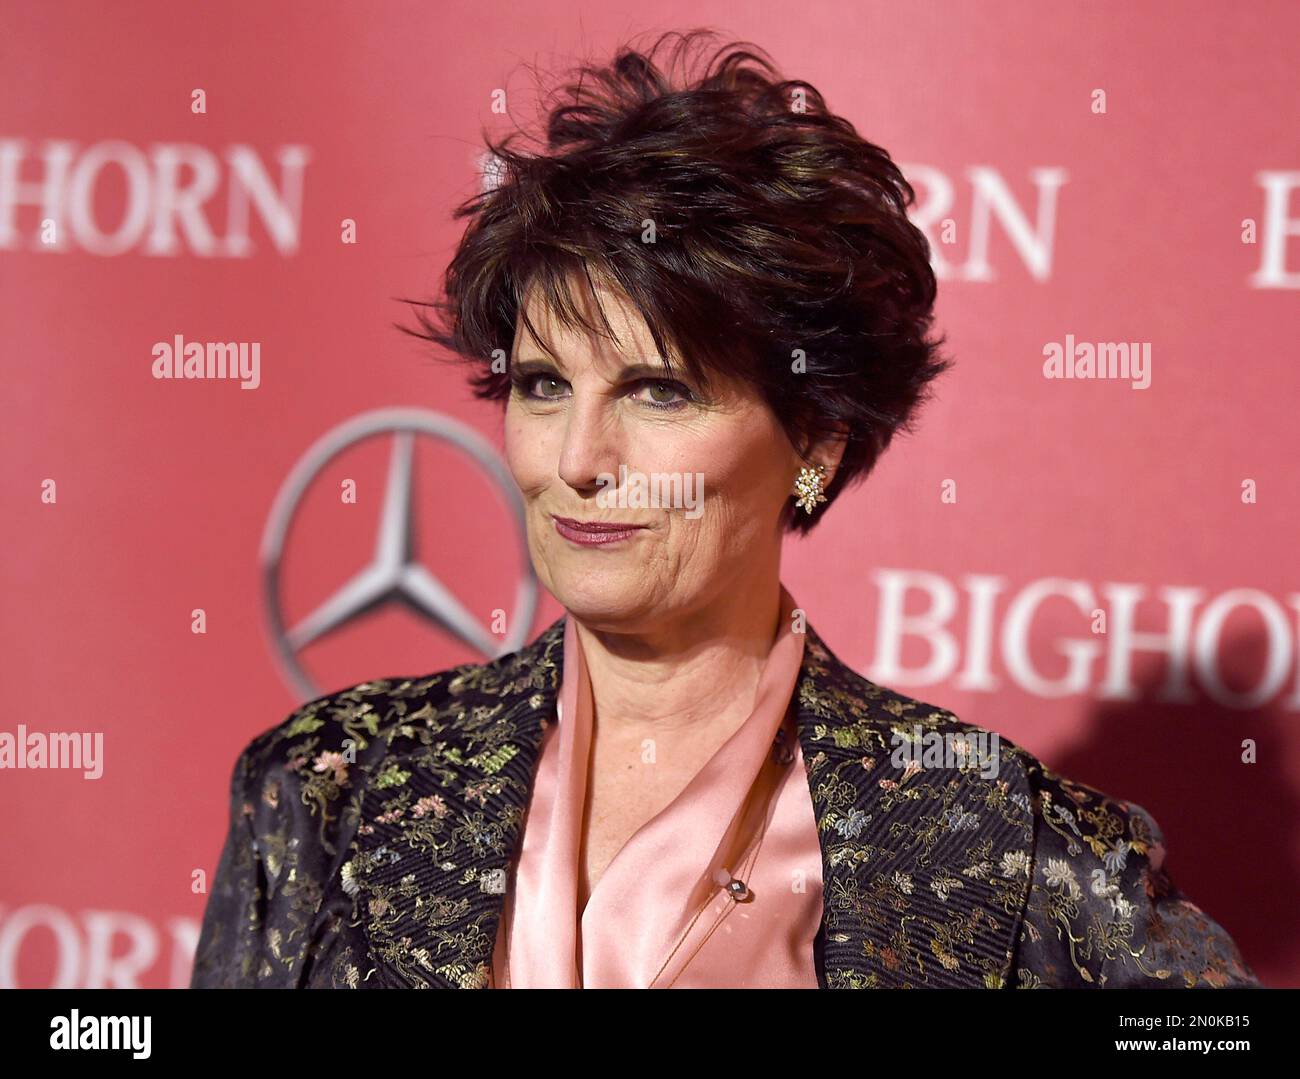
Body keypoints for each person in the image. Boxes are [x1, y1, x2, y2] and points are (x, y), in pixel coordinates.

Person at [190, 29, 1259, 989]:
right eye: (543, 384)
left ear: (816, 437)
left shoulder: (1001, 848)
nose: (578, 460)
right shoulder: (334, 783)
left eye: (659, 391)